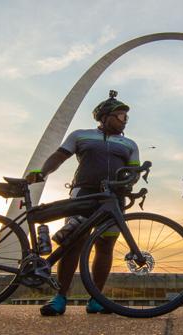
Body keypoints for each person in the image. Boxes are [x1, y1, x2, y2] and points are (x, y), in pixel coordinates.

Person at [25, 90, 140, 316]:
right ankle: (60, 296)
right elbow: (59, 155)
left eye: (126, 117)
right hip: (83, 195)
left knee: (105, 247)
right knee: (73, 244)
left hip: (113, 199)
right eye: (121, 116)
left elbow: (134, 171)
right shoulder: (80, 135)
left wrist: (130, 180)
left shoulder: (130, 144)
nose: (124, 120)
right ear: (105, 116)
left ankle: (96, 298)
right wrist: (43, 172)